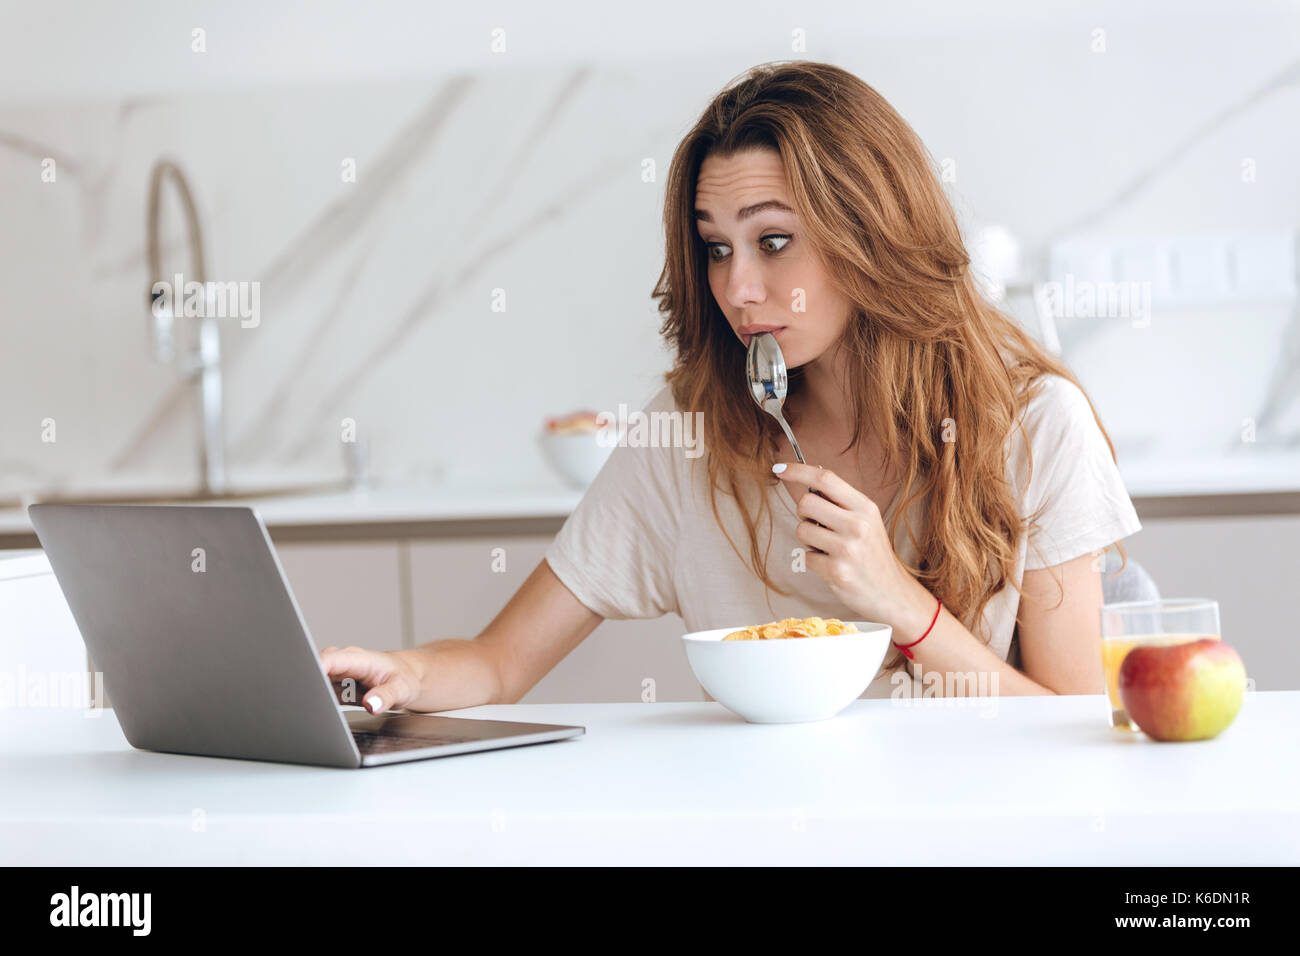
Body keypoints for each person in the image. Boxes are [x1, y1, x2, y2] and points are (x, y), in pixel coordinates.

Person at [321, 60, 1141, 710]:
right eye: (716, 248)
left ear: (871, 234)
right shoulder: (691, 431)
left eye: (773, 241)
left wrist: (901, 603)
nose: (737, 286)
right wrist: (399, 673)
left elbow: (1068, 729)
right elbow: (499, 663)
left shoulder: (1035, 427)